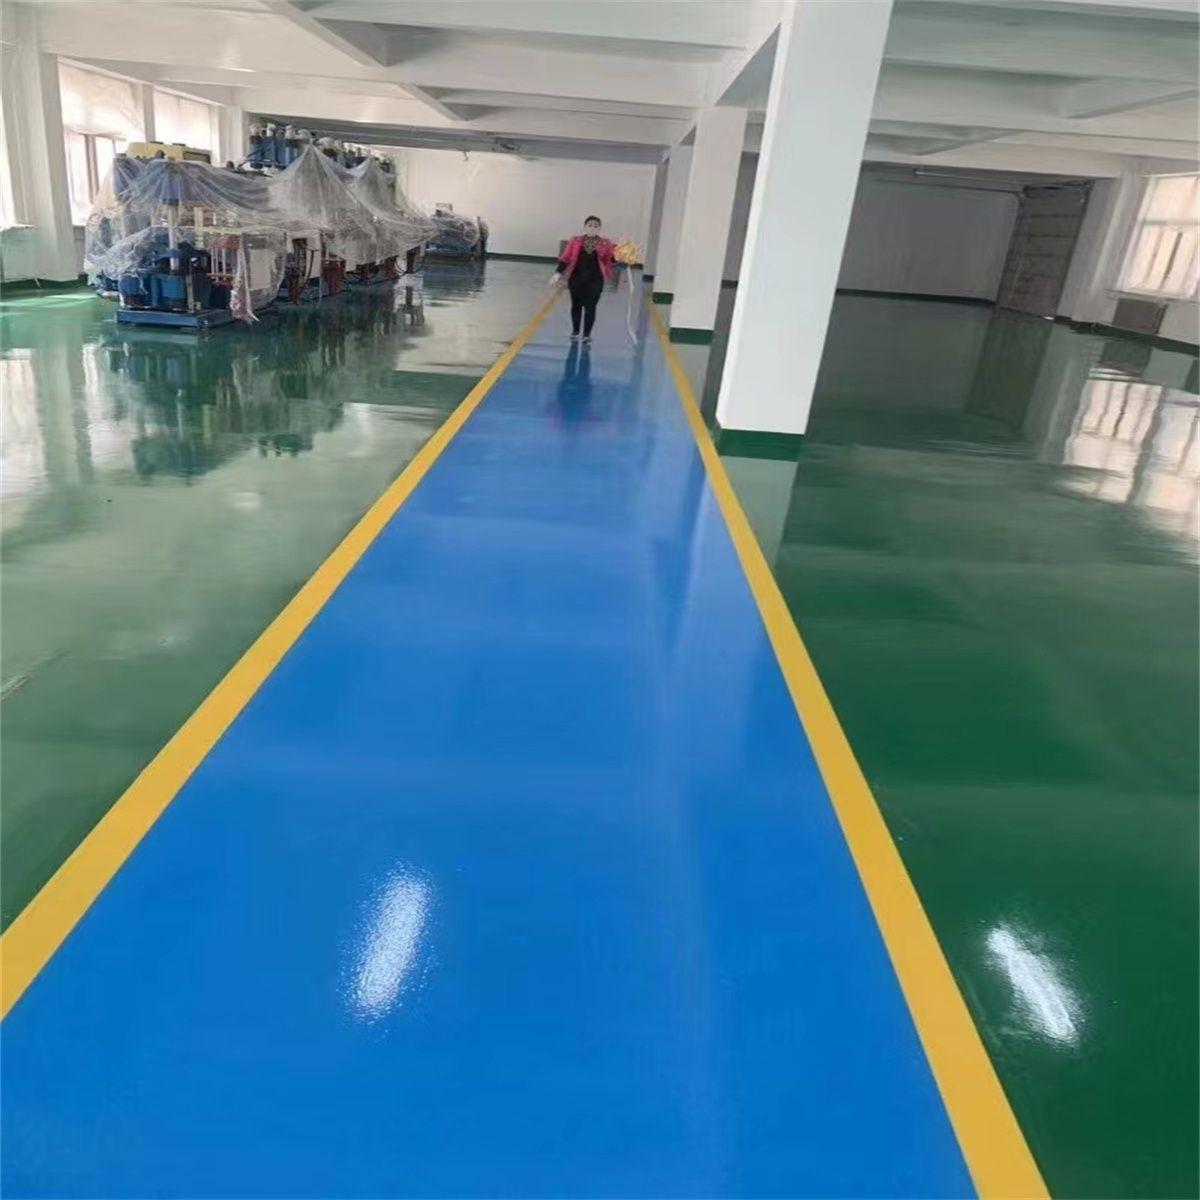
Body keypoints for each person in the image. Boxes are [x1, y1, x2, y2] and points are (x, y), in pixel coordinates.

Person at [551, 216, 616, 345]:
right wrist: (558, 273)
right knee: (576, 305)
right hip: (576, 278)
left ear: (599, 228)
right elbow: (566, 258)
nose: (592, 228)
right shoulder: (575, 241)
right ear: (585, 226)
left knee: (591, 307)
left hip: (595, 279)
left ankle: (587, 334)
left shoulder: (605, 243)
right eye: (590, 225)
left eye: (596, 226)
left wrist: (622, 256)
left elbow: (611, 260)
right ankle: (575, 331)